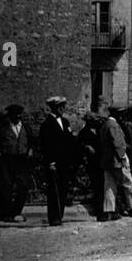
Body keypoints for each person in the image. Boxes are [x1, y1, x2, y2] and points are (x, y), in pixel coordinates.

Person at [38, 96, 78, 226]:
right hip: (55, 163)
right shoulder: (47, 124)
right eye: (60, 107)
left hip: (65, 162)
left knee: (63, 189)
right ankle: (54, 217)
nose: (62, 109)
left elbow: (71, 141)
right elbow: (46, 146)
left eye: (63, 107)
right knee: (54, 190)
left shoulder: (65, 122)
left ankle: (60, 215)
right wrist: (50, 162)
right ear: (54, 108)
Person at [0, 103, 32, 221]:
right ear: (10, 116)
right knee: (6, 186)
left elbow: (31, 142)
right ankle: (8, 214)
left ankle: (17, 212)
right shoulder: (3, 128)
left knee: (23, 186)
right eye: (15, 115)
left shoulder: (26, 128)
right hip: (7, 160)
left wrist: (30, 151)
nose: (18, 117)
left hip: (22, 160)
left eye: (19, 114)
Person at [98, 106, 132, 221]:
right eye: (121, 114)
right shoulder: (114, 125)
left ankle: (109, 211)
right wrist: (123, 157)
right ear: (117, 114)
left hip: (107, 161)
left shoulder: (105, 124)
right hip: (117, 161)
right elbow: (118, 143)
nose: (122, 116)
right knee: (129, 183)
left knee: (109, 186)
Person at [77, 111, 103, 217]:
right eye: (92, 120)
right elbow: (79, 145)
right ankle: (99, 210)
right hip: (92, 161)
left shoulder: (100, 129)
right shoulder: (84, 132)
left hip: (102, 160)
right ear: (88, 121)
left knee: (102, 185)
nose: (94, 122)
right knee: (96, 185)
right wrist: (86, 147)